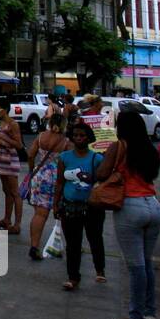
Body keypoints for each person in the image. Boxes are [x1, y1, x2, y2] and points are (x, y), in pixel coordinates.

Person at [99, 110, 160, 319]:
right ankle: (149, 311)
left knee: (136, 266)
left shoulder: (119, 146)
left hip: (130, 207)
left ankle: (135, 317)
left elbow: (102, 174)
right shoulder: (149, 148)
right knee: (146, 263)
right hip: (153, 205)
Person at [54, 121, 106, 290]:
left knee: (95, 238)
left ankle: (100, 269)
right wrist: (56, 204)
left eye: (82, 135)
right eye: (75, 135)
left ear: (88, 138)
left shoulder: (97, 158)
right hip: (70, 206)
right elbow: (60, 182)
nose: (78, 138)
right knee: (73, 244)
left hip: (92, 207)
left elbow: (102, 182)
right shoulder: (65, 157)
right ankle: (73, 277)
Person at [24, 113, 70, 261]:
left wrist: (32, 171)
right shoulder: (65, 141)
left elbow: (30, 155)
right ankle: (69, 245)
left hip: (40, 174)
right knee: (62, 213)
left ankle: (34, 246)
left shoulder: (41, 136)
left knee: (40, 214)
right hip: (57, 177)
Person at [0, 108, 25, 234]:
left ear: (5, 110)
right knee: (7, 191)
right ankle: (7, 219)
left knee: (15, 192)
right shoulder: (2, 123)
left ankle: (17, 224)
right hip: (2, 158)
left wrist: (2, 138)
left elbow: (19, 145)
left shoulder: (13, 124)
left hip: (10, 159)